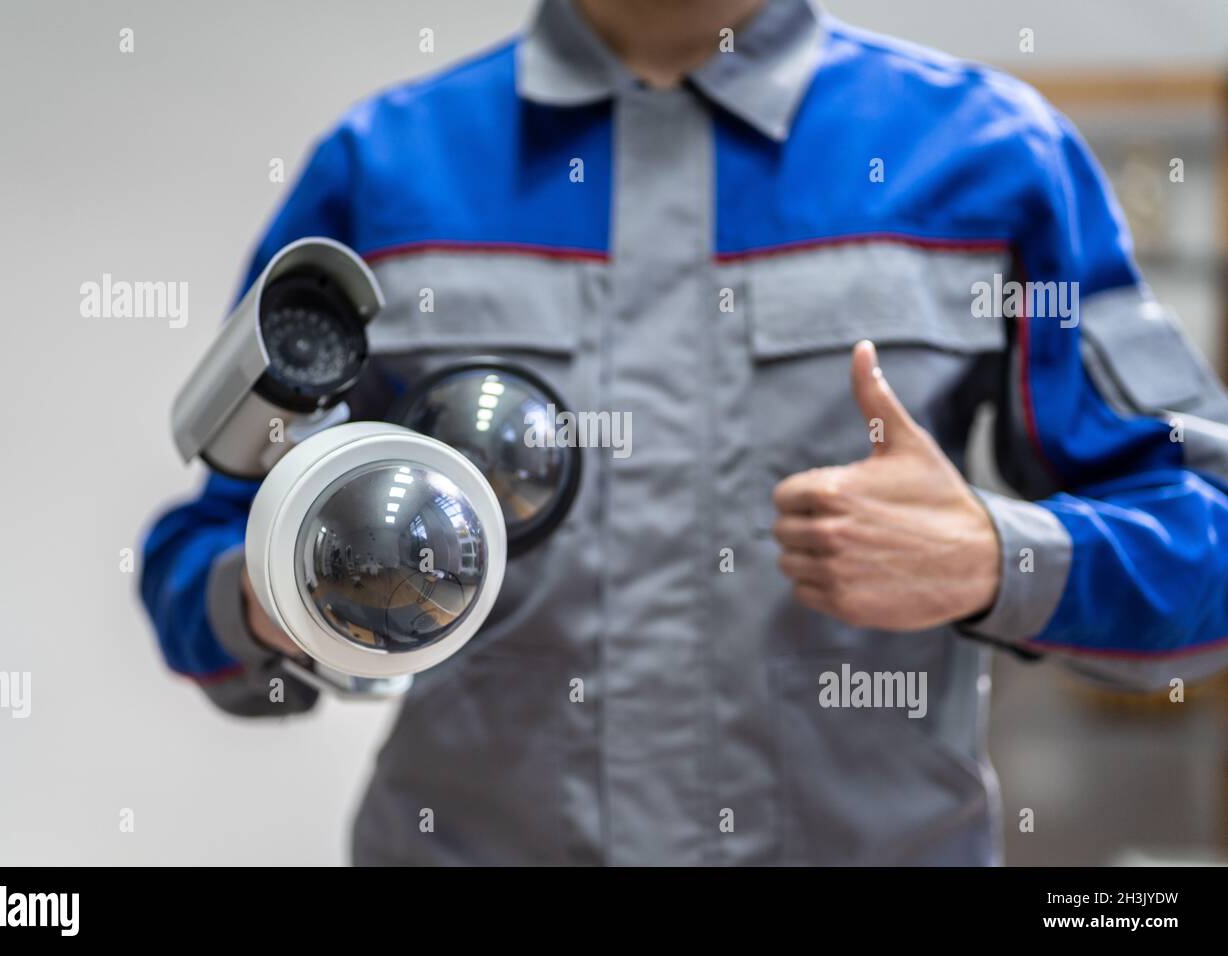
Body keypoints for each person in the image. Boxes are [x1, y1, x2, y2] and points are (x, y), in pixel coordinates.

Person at [139, 0, 1228, 865]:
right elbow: (197, 570)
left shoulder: (990, 160)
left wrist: (995, 557)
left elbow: (1210, 549)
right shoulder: (384, 173)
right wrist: (287, 593)